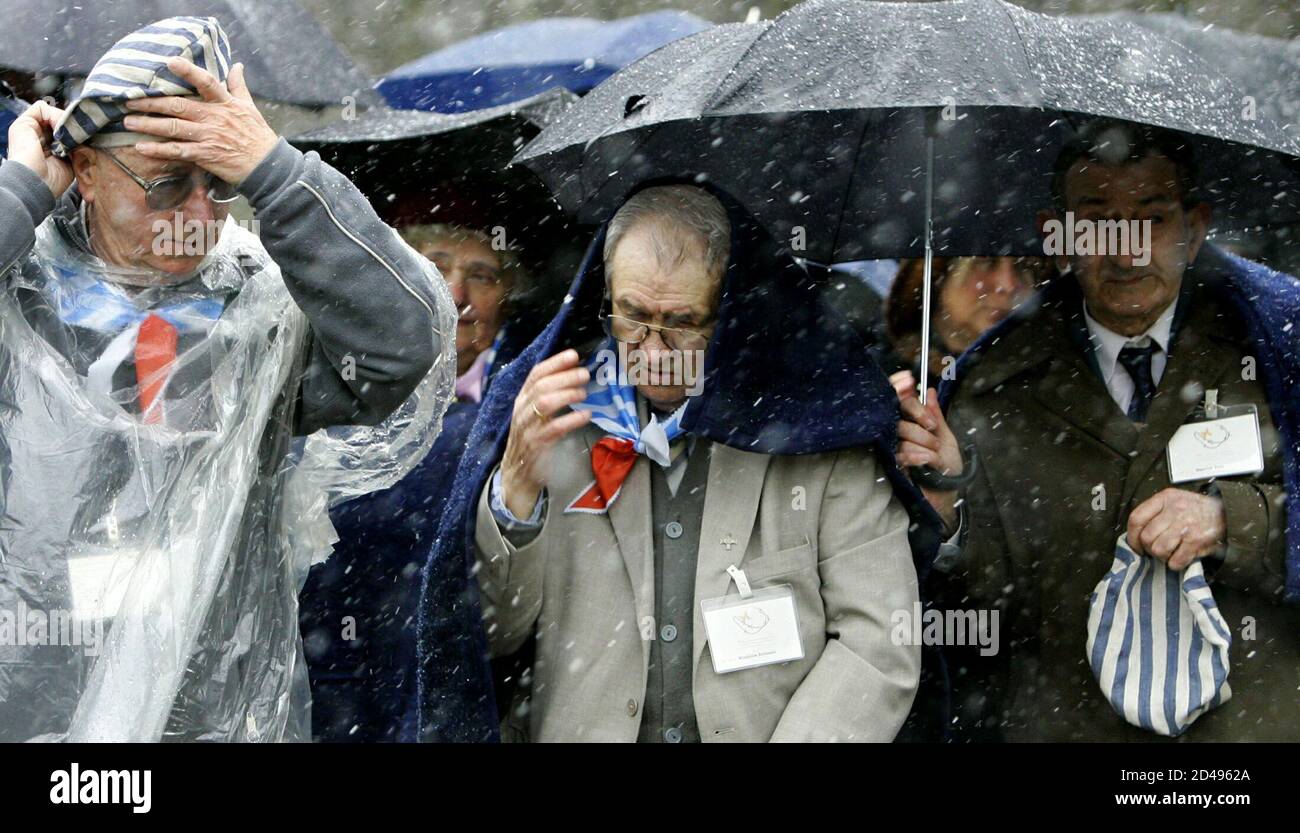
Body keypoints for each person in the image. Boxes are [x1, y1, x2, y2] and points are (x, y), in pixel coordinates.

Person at [0, 16, 454, 742]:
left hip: (212, 716)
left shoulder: (256, 304)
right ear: (84, 169)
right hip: (35, 716)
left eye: (219, 183)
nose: (198, 214)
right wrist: (21, 191)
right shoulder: (19, 292)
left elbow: (405, 342)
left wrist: (274, 172)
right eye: (168, 184)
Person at [425, 183, 921, 743]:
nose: (655, 353)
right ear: (605, 297)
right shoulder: (554, 420)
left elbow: (879, 642)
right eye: (633, 316)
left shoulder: (820, 429)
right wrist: (515, 483)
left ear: (733, 310)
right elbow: (487, 637)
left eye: (683, 322)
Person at [897, 119, 1300, 741]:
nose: (1126, 248)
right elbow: (983, 602)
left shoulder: (1277, 345)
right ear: (1057, 236)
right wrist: (949, 501)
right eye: (1097, 219)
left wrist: (1232, 521)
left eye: (1152, 216)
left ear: (1194, 230)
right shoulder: (994, 381)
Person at [300, 223, 531, 742]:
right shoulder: (330, 381)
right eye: (437, 266)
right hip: (330, 677)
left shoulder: (522, 403)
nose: (456, 294)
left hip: (457, 684)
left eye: (482, 275)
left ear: (507, 298)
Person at [882, 256, 1041, 390]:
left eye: (1023, 264)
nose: (1008, 285)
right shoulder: (880, 378)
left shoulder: (1052, 367)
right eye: (985, 260)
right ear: (939, 273)